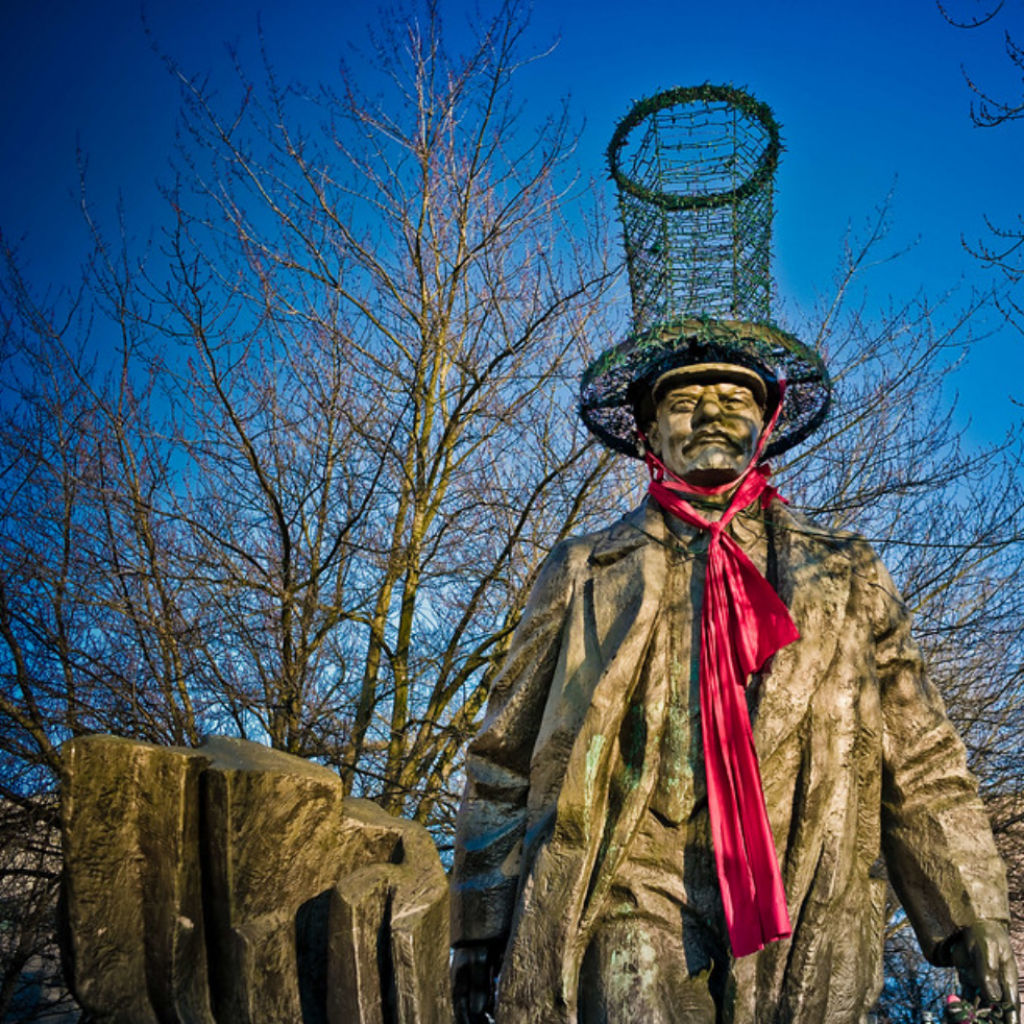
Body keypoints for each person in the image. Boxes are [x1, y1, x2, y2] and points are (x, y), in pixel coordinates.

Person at [450, 319, 1018, 1024]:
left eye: (734, 400)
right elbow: (503, 754)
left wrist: (974, 913)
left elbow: (920, 749)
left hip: (800, 884)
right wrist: (477, 926)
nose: (710, 416)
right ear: (649, 434)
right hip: (629, 876)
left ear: (765, 425)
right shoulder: (581, 570)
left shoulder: (846, 572)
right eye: (685, 403)